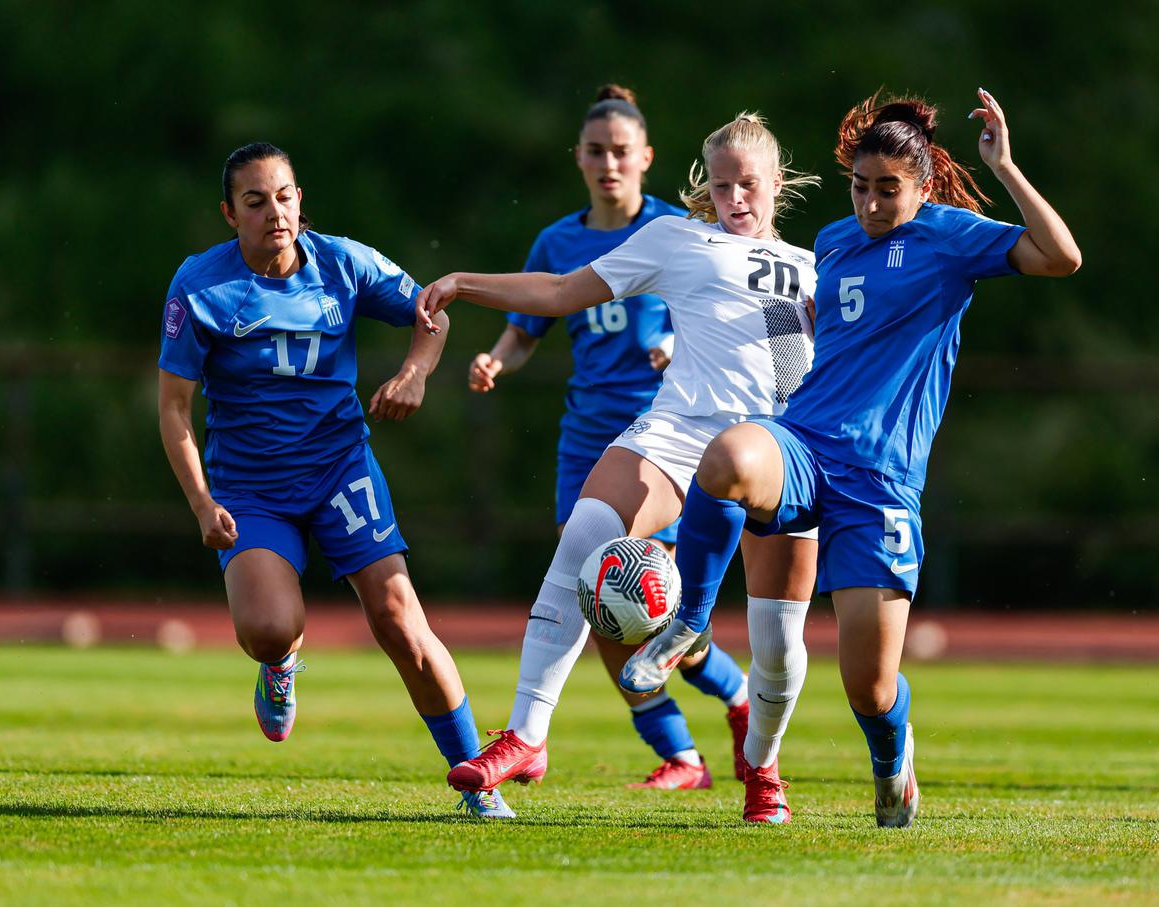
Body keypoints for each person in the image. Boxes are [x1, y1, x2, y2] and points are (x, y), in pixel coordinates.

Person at [622, 88, 1082, 826]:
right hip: (803, 441)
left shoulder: (950, 236)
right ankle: (690, 621)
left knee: (868, 686)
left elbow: (1063, 256)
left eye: (888, 189)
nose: (870, 203)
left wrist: (1005, 167)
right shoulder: (834, 241)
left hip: (879, 483)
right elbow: (812, 325)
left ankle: (891, 757)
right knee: (727, 457)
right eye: (861, 187)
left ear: (924, 185)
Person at [417, 112, 821, 807]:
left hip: (772, 448)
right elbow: (560, 292)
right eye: (723, 186)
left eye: (749, 184)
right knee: (581, 541)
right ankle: (525, 735)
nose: (736, 200)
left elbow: (797, 373)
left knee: (778, 644)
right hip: (675, 433)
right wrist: (462, 282)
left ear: (777, 183)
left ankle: (762, 770)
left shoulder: (813, 266)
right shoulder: (676, 239)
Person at [156, 142, 515, 819]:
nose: (274, 212)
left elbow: (430, 311)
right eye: (256, 201)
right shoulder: (200, 285)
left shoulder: (343, 263)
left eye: (285, 195)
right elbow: (174, 407)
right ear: (229, 214)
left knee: (401, 621)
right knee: (268, 628)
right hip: (250, 486)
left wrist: (415, 373)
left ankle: (477, 780)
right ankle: (280, 665)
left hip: (341, 470)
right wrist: (202, 502)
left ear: (301, 200)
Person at [468, 85, 753, 790]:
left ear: (646, 157)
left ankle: (739, 696)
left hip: (670, 441)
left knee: (645, 606)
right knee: (603, 605)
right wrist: (495, 360)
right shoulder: (558, 241)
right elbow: (530, 323)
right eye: (596, 151)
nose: (608, 163)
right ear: (579, 159)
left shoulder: (679, 229)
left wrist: (678, 342)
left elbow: (727, 310)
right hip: (590, 437)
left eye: (621, 151)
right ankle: (680, 753)